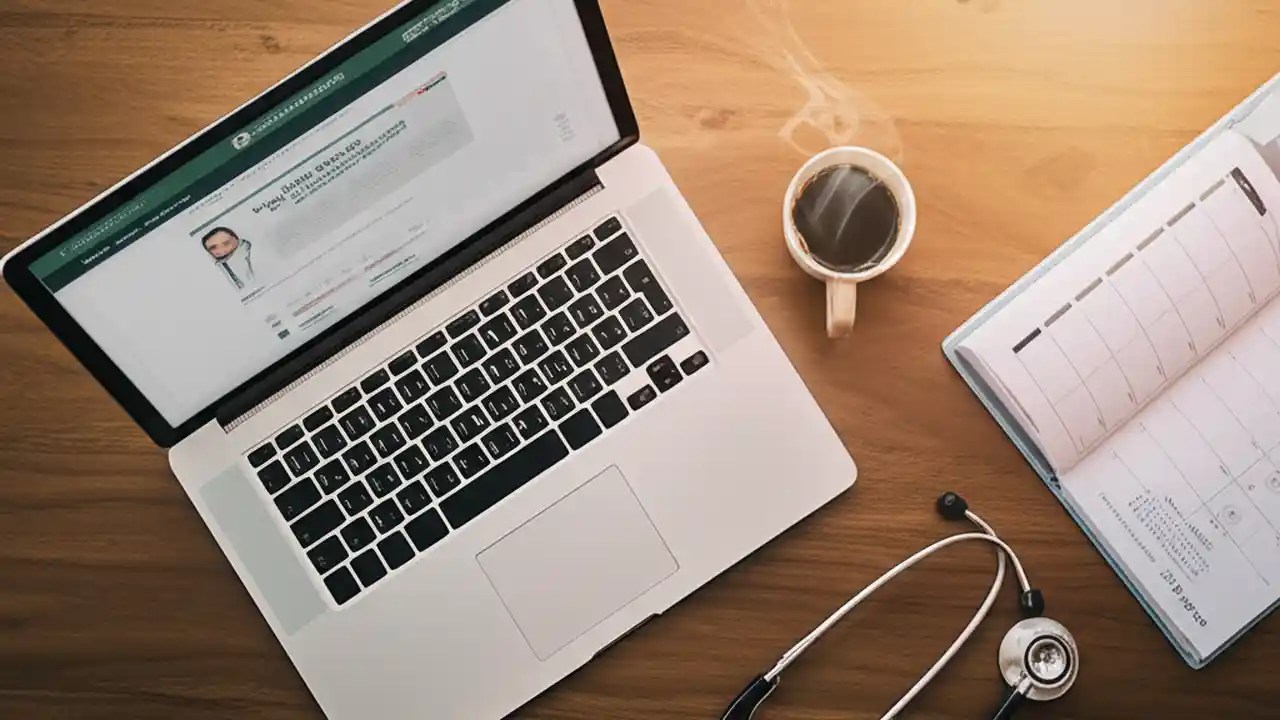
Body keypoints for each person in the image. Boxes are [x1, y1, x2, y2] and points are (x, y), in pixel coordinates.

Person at [201, 226, 258, 291]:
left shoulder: (254, 253)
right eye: (213, 248)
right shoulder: (217, 269)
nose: (222, 250)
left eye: (226, 243)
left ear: (236, 239)